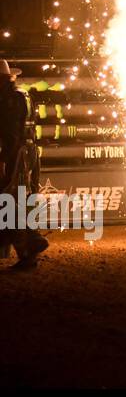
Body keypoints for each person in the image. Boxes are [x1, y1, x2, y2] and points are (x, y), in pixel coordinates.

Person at [0, 61, 46, 269]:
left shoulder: (7, 100)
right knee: (21, 198)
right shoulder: (23, 96)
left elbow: (10, 132)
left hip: (16, 152)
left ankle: (29, 243)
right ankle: (28, 243)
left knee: (9, 199)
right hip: (30, 151)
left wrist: (5, 158)